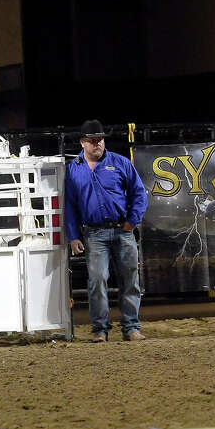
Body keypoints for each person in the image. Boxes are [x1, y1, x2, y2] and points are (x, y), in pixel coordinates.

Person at [64, 120, 148, 343]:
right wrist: (73, 236)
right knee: (97, 280)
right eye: (92, 140)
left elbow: (139, 193)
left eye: (99, 139)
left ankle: (130, 327)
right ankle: (101, 328)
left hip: (122, 230)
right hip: (94, 232)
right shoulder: (73, 169)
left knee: (130, 279)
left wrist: (132, 220)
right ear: (83, 143)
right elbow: (70, 205)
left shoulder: (120, 163)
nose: (97, 144)